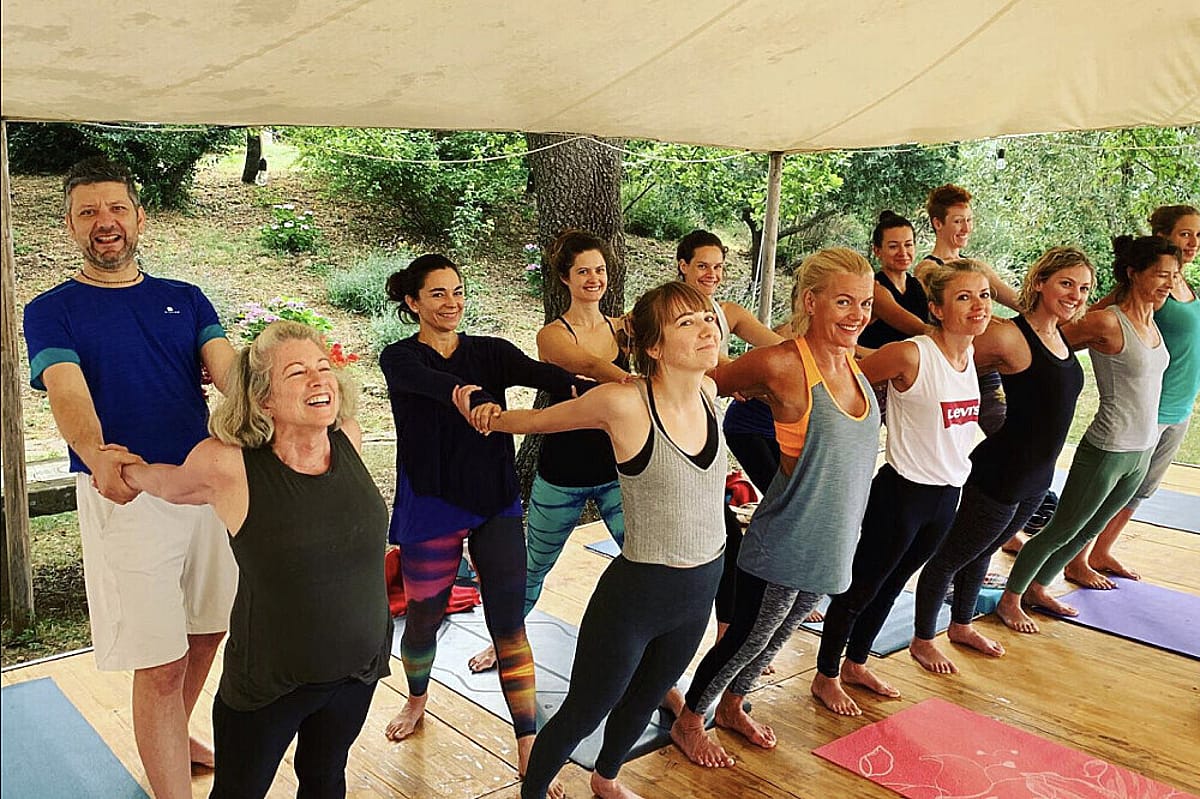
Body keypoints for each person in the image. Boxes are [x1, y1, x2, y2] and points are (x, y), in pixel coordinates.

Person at [22, 157, 238, 798]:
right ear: (70, 227)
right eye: (88, 212)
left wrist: (295, 406)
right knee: (162, 657)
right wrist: (97, 455)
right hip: (131, 493)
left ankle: (173, 730)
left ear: (139, 217)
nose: (105, 222)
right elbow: (66, 389)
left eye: (116, 208)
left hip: (205, 488)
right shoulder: (53, 310)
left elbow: (229, 373)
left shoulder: (186, 298)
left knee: (208, 631)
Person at [460, 281, 727, 799]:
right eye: (686, 323)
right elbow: (539, 421)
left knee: (649, 696)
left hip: (700, 590)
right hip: (638, 595)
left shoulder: (711, 396)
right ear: (653, 345)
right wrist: (488, 416)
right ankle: (532, 793)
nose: (706, 329)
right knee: (586, 708)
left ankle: (605, 779)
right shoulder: (625, 403)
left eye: (708, 319)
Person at [120, 321, 392, 798]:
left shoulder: (348, 436)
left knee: (326, 781)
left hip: (357, 671)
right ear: (264, 398)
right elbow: (172, 485)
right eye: (297, 373)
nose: (319, 380)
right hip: (268, 686)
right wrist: (126, 471)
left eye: (323, 368)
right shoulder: (228, 464)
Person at [378, 254, 589, 796]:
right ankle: (418, 696)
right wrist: (466, 394)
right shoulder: (398, 357)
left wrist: (585, 385)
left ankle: (526, 739)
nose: (452, 303)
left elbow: (541, 374)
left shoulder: (489, 352)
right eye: (438, 294)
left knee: (508, 623)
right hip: (431, 505)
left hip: (494, 502)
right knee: (423, 619)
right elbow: (428, 382)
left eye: (458, 291)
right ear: (413, 303)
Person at [669, 249, 879, 766]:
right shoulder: (783, 362)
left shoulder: (854, 363)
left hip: (834, 538)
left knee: (779, 637)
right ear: (811, 301)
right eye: (844, 302)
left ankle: (733, 705)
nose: (857, 314)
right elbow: (698, 385)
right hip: (785, 536)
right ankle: (691, 719)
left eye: (866, 303)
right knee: (746, 638)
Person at [813, 259, 992, 716]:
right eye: (964, 297)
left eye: (984, 295)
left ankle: (855, 662)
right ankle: (825, 675)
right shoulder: (913, 353)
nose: (978, 305)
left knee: (893, 586)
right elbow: (843, 382)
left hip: (946, 494)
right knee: (862, 587)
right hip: (902, 494)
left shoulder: (969, 354)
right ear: (936, 307)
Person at [909, 248, 1092, 673]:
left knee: (985, 551)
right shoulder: (1010, 335)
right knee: (950, 557)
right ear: (1040, 282)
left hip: (1036, 475)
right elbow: (941, 358)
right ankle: (922, 639)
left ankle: (960, 624)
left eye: (1082, 288)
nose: (1075, 295)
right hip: (1001, 471)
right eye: (1066, 284)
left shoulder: (1060, 335)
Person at [467, 229, 630, 674]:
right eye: (583, 272)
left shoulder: (627, 328)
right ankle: (501, 641)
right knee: (534, 565)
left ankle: (641, 649)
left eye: (598, 270)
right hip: (564, 469)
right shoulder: (551, 335)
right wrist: (628, 381)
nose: (593, 278)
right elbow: (588, 366)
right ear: (565, 279)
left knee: (640, 558)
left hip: (618, 469)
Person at [997, 236, 1179, 632]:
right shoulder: (1106, 320)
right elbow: (1048, 346)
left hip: (1142, 448)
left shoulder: (1152, 319)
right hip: (1108, 447)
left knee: (1093, 529)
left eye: (1174, 275)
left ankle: (1039, 586)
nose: (1169, 282)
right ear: (1134, 274)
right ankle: (1011, 598)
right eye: (1162, 274)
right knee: (1064, 526)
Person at [1062, 204, 1199, 586]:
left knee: (1142, 491)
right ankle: (1078, 559)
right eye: (1185, 234)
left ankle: (1102, 550)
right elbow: (1093, 320)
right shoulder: (1148, 288)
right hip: (1148, 407)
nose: (1193, 243)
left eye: (1198, 236)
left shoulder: (1179, 284)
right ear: (1162, 237)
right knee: (1117, 490)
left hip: (1180, 406)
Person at [915, 184, 1019, 436]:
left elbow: (1019, 302)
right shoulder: (928, 270)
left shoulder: (974, 266)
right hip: (952, 367)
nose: (966, 228)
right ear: (938, 224)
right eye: (958, 221)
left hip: (985, 367)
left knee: (1009, 431)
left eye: (969, 220)